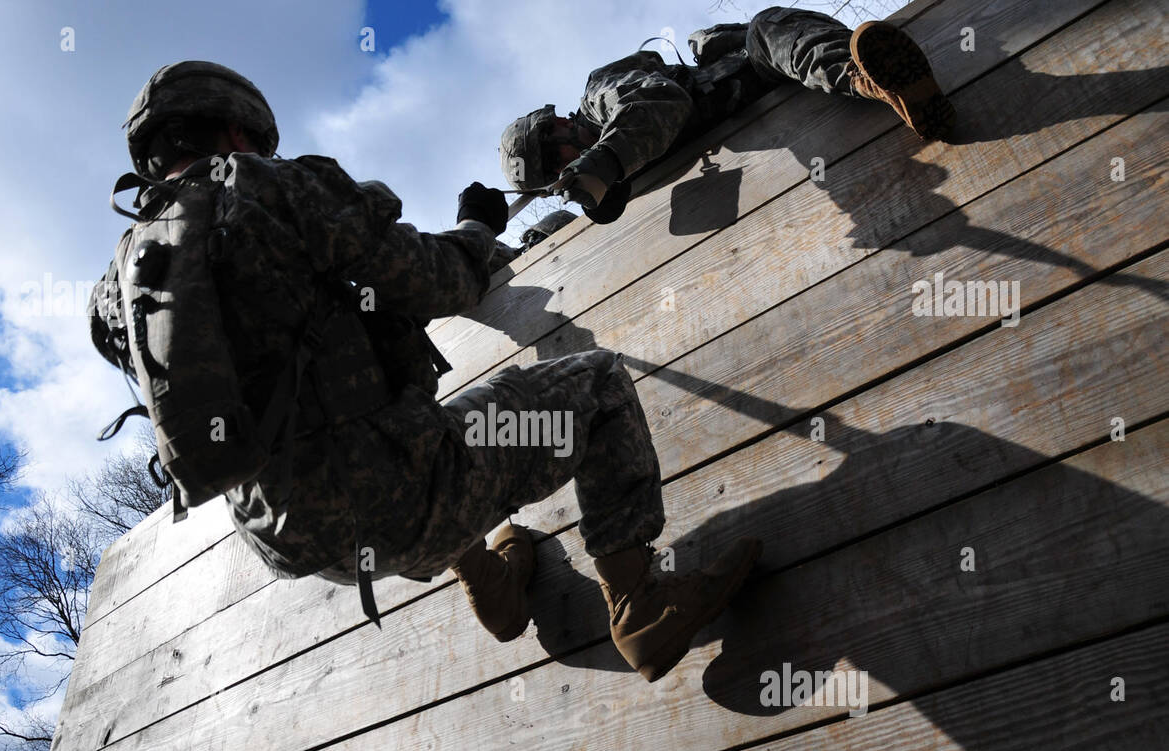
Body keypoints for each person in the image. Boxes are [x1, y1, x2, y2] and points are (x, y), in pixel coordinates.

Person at [94, 61, 760, 682]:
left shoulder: (124, 282)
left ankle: (492, 587)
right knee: (598, 387)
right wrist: (476, 228)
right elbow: (437, 280)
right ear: (238, 129)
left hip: (298, 544)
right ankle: (640, 601)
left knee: (422, 435)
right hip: (397, 493)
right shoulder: (265, 189)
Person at [500, 11, 955, 219]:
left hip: (748, 78)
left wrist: (602, 163)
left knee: (765, 30)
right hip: (753, 145)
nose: (564, 170)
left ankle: (871, 79)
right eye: (554, 175)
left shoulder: (597, 99)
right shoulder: (595, 180)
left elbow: (661, 100)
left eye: (555, 160)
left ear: (556, 127)